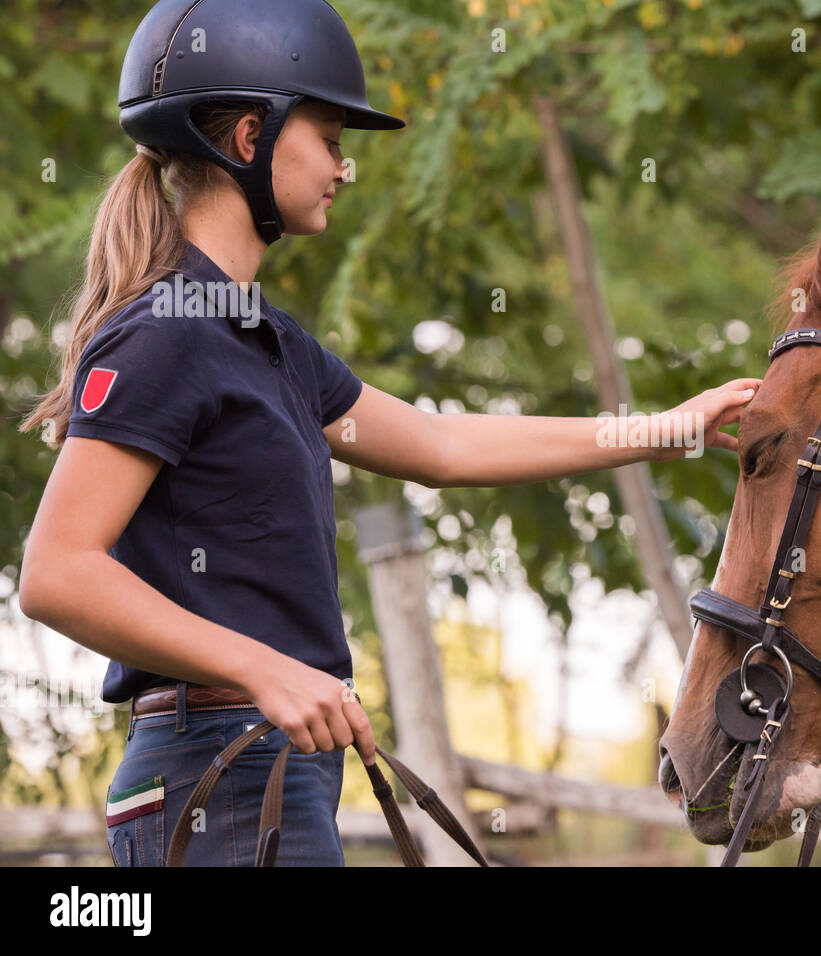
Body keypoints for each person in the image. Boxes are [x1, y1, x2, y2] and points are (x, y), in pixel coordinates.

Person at [16, 0, 759, 866]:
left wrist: (670, 430)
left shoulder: (266, 341)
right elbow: (57, 572)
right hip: (215, 770)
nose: (344, 167)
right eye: (329, 138)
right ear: (250, 138)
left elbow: (445, 449)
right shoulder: (167, 331)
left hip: (274, 761)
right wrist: (266, 667)